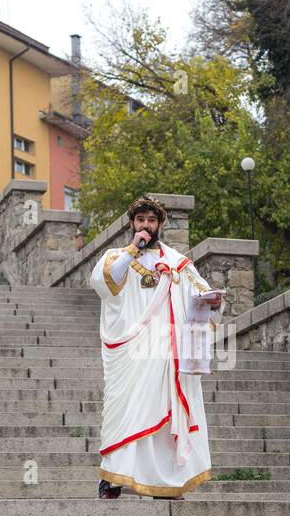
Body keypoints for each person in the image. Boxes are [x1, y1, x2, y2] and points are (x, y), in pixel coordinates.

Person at [90, 196, 224, 500]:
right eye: (140, 221)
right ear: (132, 224)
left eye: (151, 221)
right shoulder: (117, 256)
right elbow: (105, 281)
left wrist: (215, 301)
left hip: (166, 352)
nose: (146, 226)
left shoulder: (177, 263)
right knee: (126, 411)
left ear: (160, 224)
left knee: (166, 412)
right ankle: (114, 477)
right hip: (131, 352)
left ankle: (166, 482)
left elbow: (202, 292)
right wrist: (133, 248)